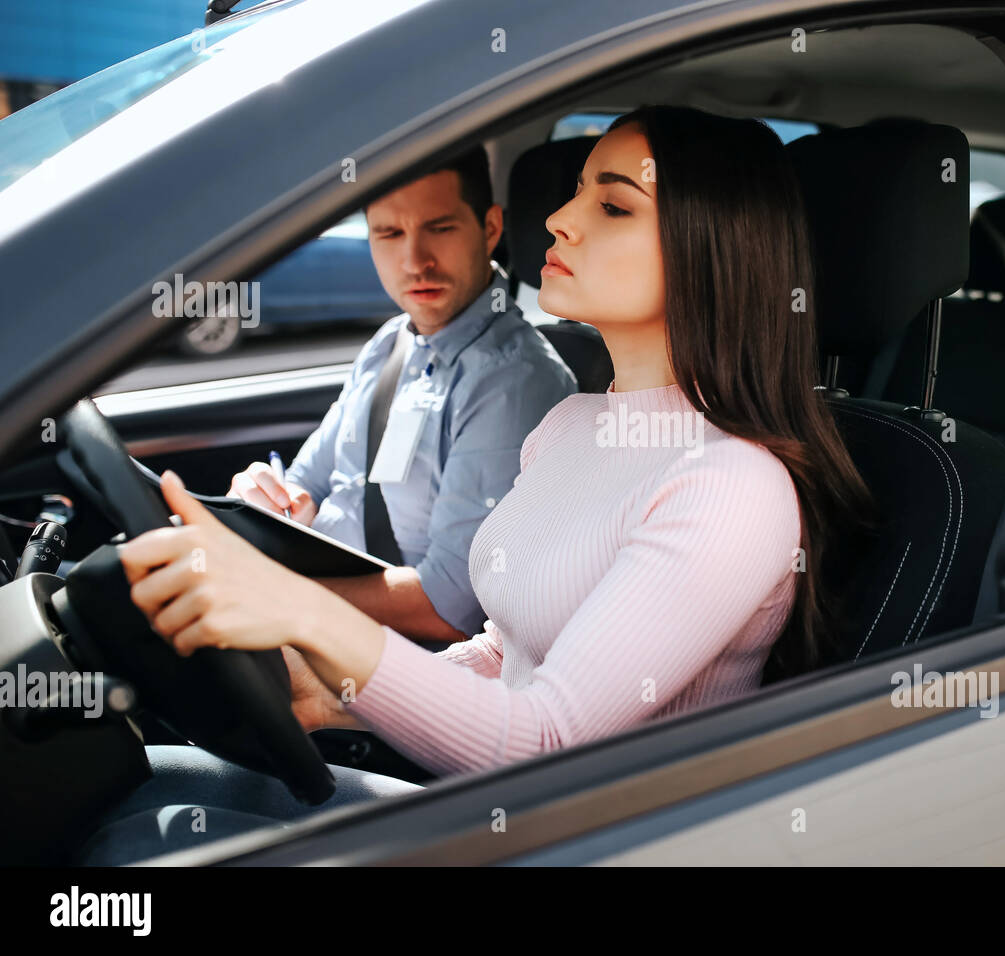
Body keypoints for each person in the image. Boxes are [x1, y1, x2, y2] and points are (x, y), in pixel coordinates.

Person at [75, 106, 877, 864]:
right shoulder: (570, 426)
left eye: (615, 206)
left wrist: (304, 607)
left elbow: (547, 742)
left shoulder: (733, 486)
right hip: (482, 806)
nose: (561, 219)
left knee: (131, 851)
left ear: (712, 249)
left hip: (579, 839)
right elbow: (506, 649)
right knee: (127, 786)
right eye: (574, 192)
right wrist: (331, 693)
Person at [227, 146, 576, 646]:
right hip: (316, 623)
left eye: (440, 228)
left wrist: (276, 594)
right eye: (389, 233)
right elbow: (306, 483)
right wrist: (264, 495)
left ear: (491, 229)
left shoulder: (514, 382)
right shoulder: (391, 343)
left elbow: (448, 607)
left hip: (385, 662)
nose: (414, 261)